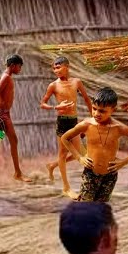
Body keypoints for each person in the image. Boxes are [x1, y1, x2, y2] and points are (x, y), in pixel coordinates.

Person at [60, 88, 128, 202]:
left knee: (100, 209)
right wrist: (79, 157)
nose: (96, 113)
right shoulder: (86, 124)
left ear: (113, 110)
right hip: (91, 174)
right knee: (84, 207)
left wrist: (124, 162)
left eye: (102, 111)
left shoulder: (119, 128)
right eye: (94, 109)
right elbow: (65, 138)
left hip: (110, 175)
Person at [41, 56, 94, 198]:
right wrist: (56, 106)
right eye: (54, 68)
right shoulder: (53, 85)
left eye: (58, 67)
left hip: (74, 121)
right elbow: (43, 103)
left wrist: (93, 117)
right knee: (63, 154)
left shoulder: (77, 82)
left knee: (82, 154)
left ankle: (53, 165)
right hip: (62, 122)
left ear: (67, 67)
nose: (55, 70)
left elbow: (88, 99)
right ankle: (66, 187)